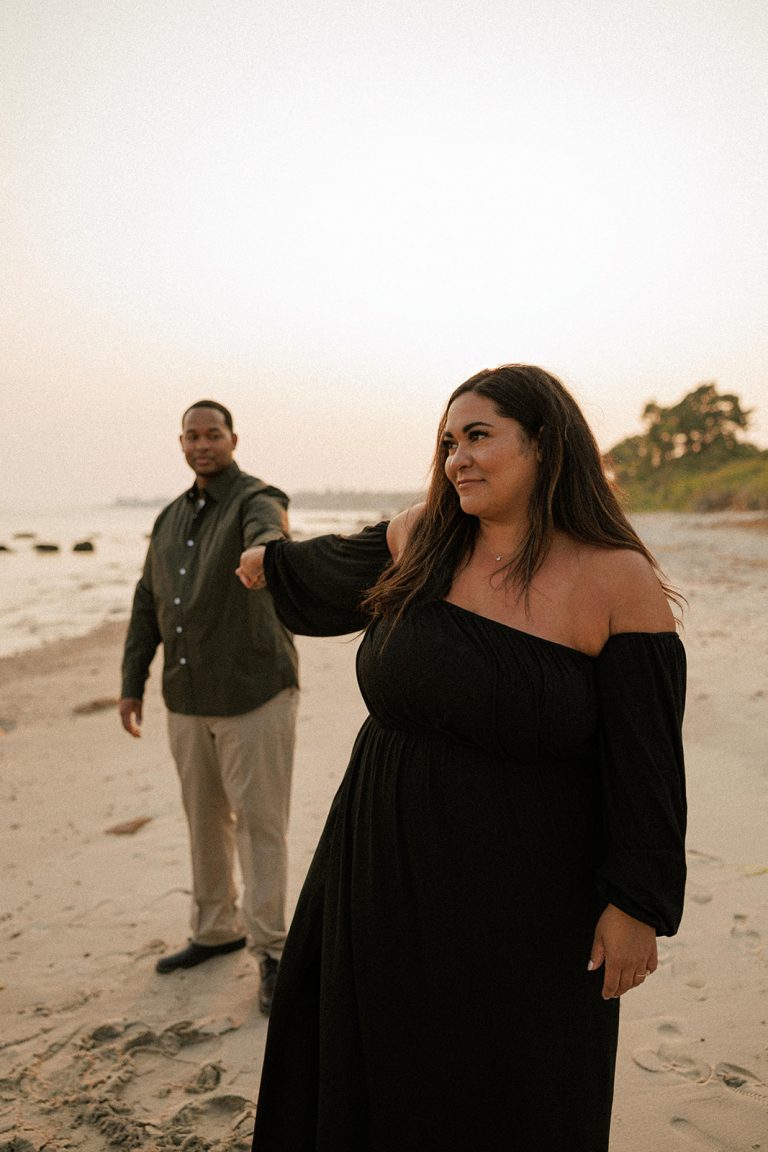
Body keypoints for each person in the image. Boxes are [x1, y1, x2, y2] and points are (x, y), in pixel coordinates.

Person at [237, 365, 687, 1150]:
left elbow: (647, 762)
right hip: (379, 865)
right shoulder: (419, 539)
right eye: (448, 442)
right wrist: (267, 561)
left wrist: (638, 904)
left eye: (479, 437)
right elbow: (326, 568)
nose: (457, 460)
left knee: (513, 1086)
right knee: (378, 1070)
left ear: (545, 444)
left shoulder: (617, 580)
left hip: (529, 897)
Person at [119, 400, 298, 1015]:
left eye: (213, 434)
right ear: (181, 443)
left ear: (232, 439)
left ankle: (272, 951)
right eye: (192, 436)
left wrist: (263, 551)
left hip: (254, 691)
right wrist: (132, 682)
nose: (203, 444)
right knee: (204, 819)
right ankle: (216, 929)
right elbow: (147, 600)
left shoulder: (256, 499)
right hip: (187, 696)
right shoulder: (169, 517)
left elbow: (269, 530)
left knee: (260, 823)